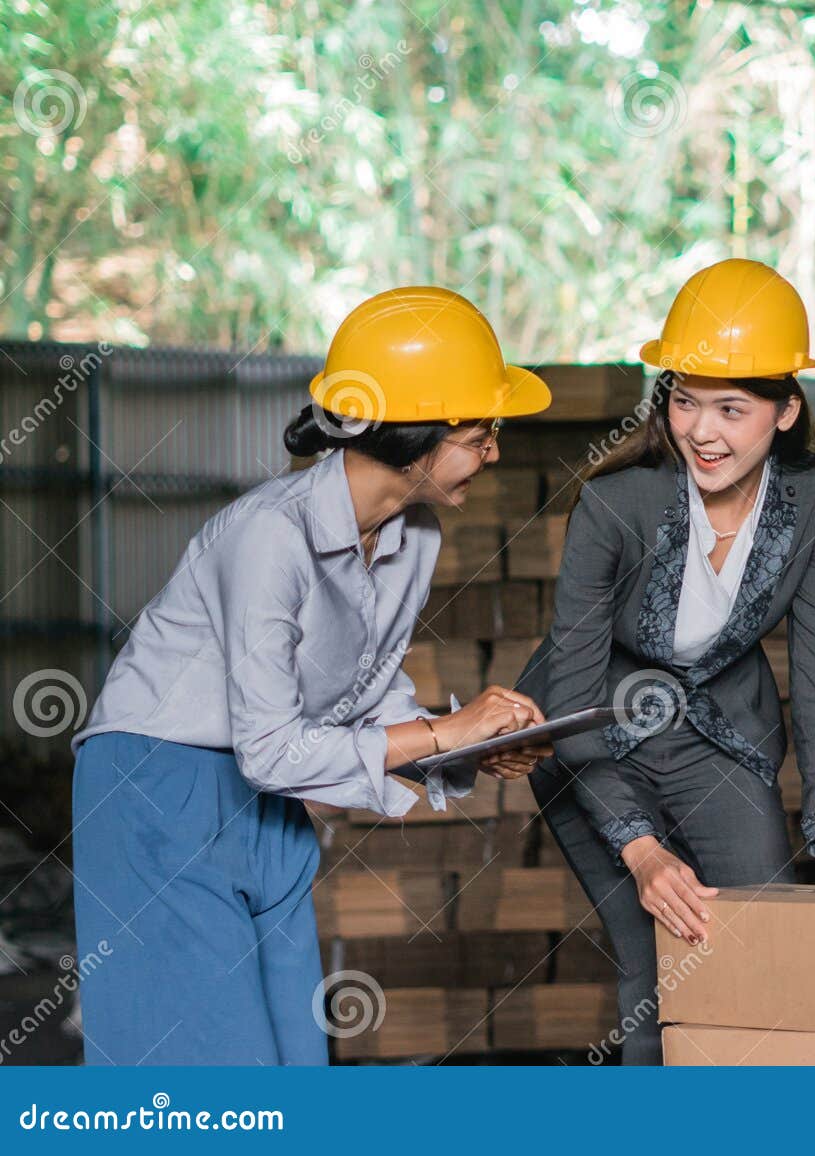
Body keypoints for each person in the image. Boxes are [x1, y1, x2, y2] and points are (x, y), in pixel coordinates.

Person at [70, 287, 556, 1065]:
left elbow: (368, 699)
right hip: (157, 790)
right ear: (412, 430)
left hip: (265, 808)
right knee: (209, 1084)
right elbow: (271, 746)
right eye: (481, 431)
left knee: (295, 1064)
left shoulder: (414, 535)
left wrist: (466, 748)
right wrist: (444, 729)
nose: (494, 451)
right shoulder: (270, 535)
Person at [517, 258, 815, 1066]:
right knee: (654, 961)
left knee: (755, 948)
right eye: (686, 401)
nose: (703, 431)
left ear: (785, 410)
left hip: (719, 734)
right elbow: (568, 682)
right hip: (591, 732)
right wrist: (640, 848)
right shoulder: (613, 504)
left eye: (733, 409)